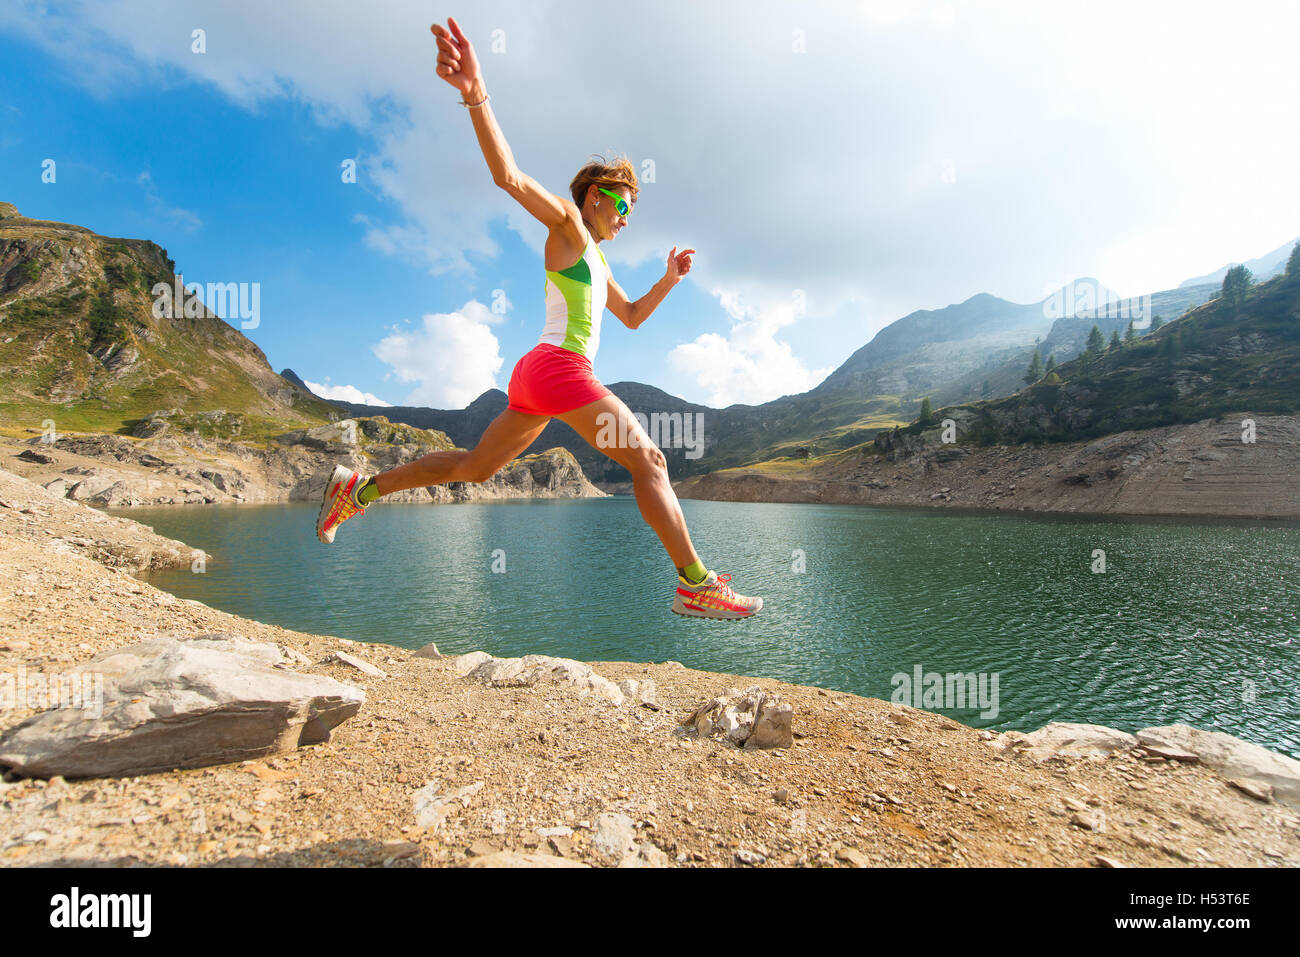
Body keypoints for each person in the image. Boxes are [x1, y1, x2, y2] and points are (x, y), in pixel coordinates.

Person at [317, 16, 762, 620]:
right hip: (557, 368)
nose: (627, 216)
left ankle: (357, 490)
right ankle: (696, 582)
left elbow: (630, 317)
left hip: (536, 379)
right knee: (651, 461)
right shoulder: (570, 226)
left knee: (475, 469)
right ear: (597, 196)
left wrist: (669, 280)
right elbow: (508, 176)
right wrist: (476, 93)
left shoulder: (596, 261)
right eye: (625, 204)